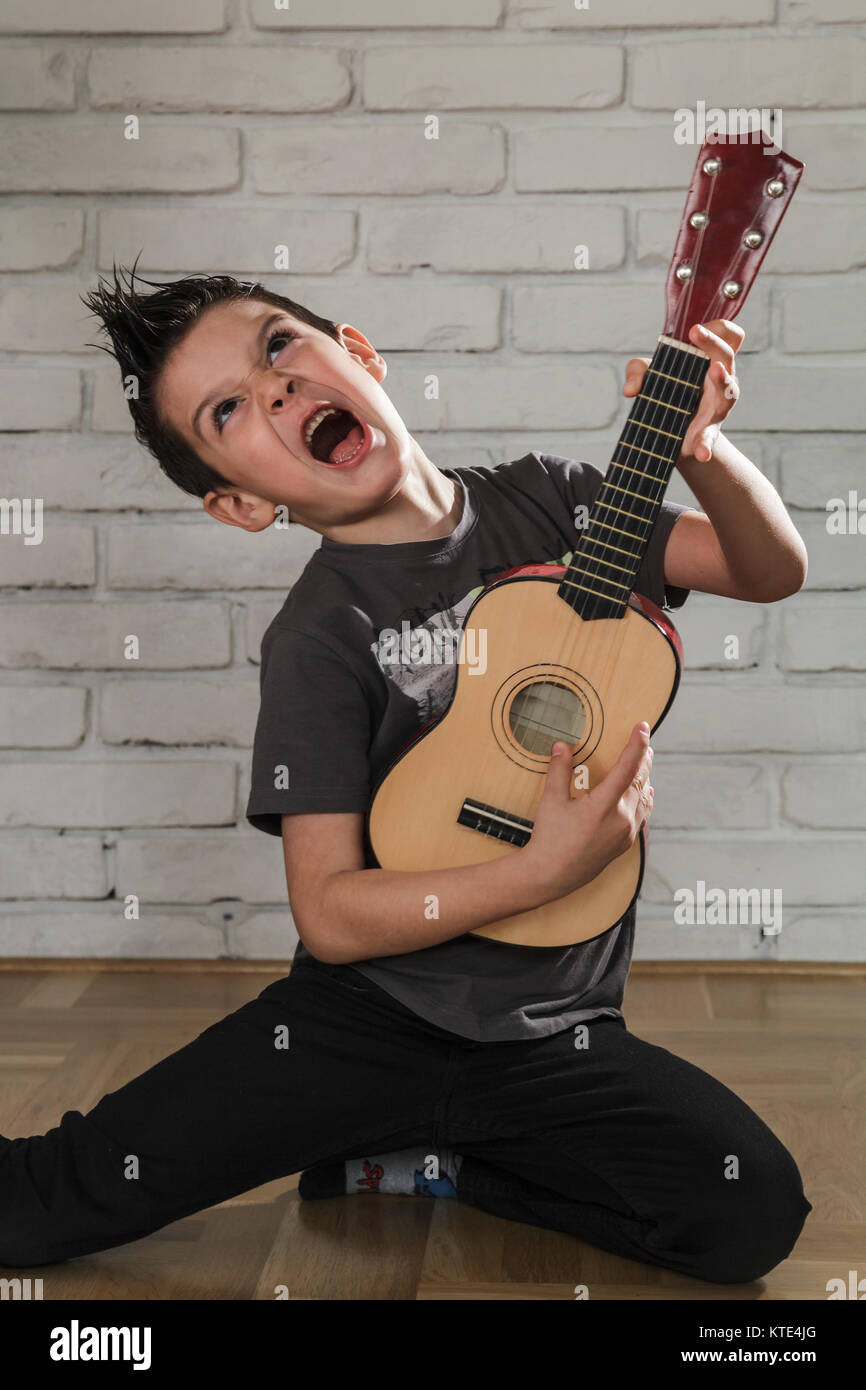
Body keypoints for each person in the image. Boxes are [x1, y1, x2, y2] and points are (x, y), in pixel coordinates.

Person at [0, 264, 811, 1284]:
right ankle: (368, 1131)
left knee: (746, 1213)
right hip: (358, 1025)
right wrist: (536, 873)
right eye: (230, 409)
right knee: (42, 1202)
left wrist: (704, 452)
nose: (279, 392)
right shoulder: (319, 635)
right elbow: (331, 912)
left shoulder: (554, 506)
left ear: (360, 354)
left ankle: (431, 1164)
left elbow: (766, 570)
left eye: (276, 349)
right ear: (241, 504)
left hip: (552, 1033)